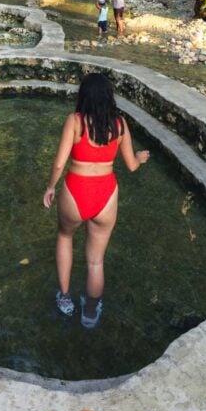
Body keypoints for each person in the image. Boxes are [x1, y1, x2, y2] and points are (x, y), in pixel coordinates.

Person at [43, 73, 149, 329]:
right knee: (96, 261)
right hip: (106, 194)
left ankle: (65, 299)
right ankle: (90, 312)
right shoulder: (120, 125)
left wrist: (50, 187)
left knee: (65, 237)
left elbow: (58, 163)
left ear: (84, 96)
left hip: (76, 190)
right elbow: (131, 166)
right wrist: (139, 157)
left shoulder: (75, 121)